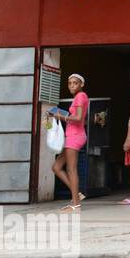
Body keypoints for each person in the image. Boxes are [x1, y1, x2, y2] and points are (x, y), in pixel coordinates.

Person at [49, 73, 89, 212]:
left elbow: (78, 118)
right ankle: (76, 194)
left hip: (75, 136)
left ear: (81, 84)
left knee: (71, 170)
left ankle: (76, 205)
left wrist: (60, 116)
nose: (72, 85)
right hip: (72, 135)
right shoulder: (79, 97)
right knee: (56, 167)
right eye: (70, 83)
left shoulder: (80, 96)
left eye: (75, 83)